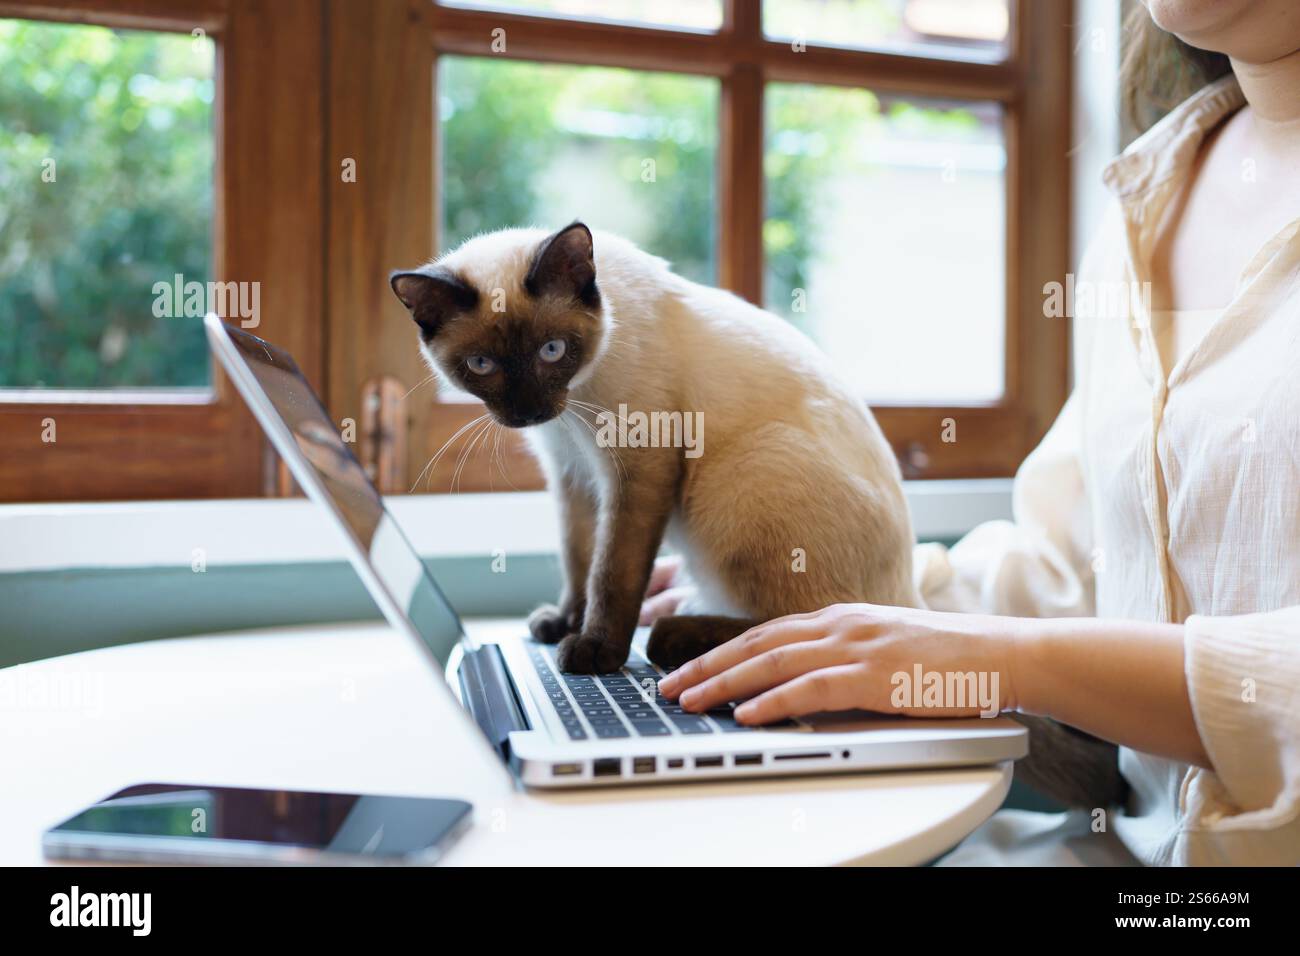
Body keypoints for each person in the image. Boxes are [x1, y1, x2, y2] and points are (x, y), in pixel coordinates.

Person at [646, 0, 1300, 866]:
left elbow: (1033, 639)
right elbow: (1075, 566)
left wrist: (1006, 659)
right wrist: (812, 602)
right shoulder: (1149, 196)